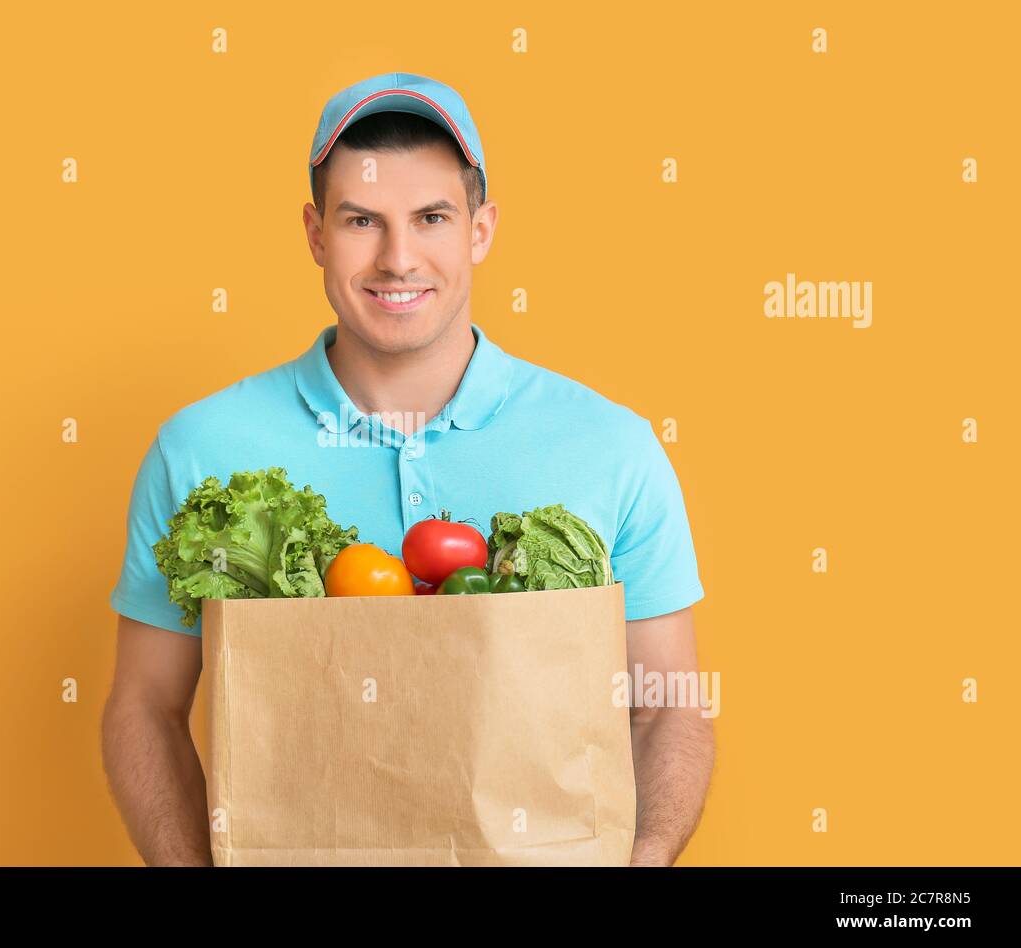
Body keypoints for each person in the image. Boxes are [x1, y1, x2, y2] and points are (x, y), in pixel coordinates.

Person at [102, 72, 713, 867]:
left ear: (481, 230)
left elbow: (669, 705)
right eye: (362, 220)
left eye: (432, 217)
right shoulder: (200, 450)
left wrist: (646, 861)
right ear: (316, 234)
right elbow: (144, 707)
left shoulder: (611, 447)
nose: (398, 259)